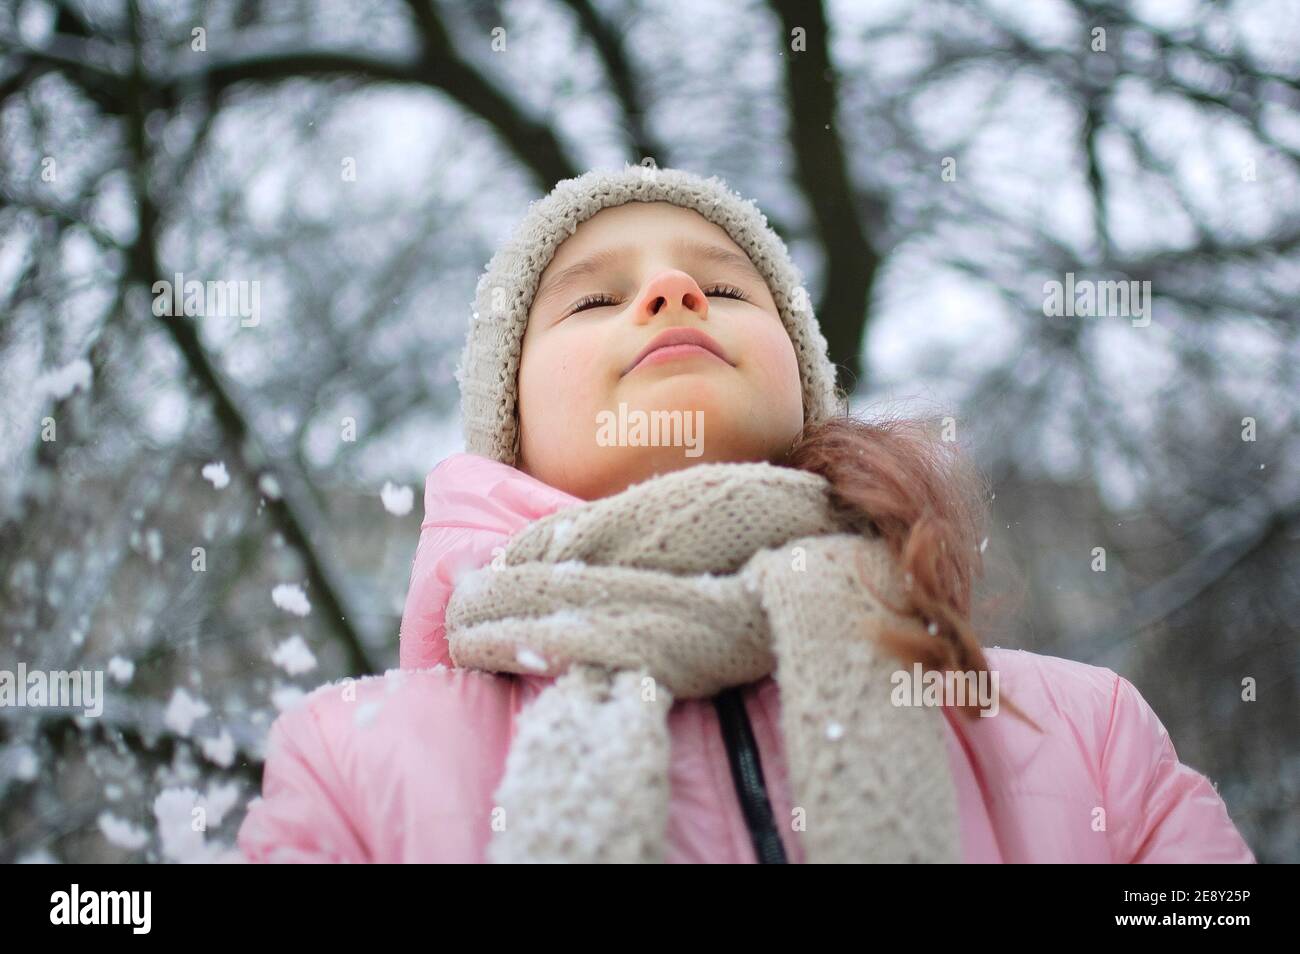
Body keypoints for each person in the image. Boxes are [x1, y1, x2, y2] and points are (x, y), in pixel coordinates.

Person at [236, 164, 1255, 863]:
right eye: (593, 300)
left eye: (723, 285)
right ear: (507, 429)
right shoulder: (354, 762)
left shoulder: (1079, 735)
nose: (673, 291)